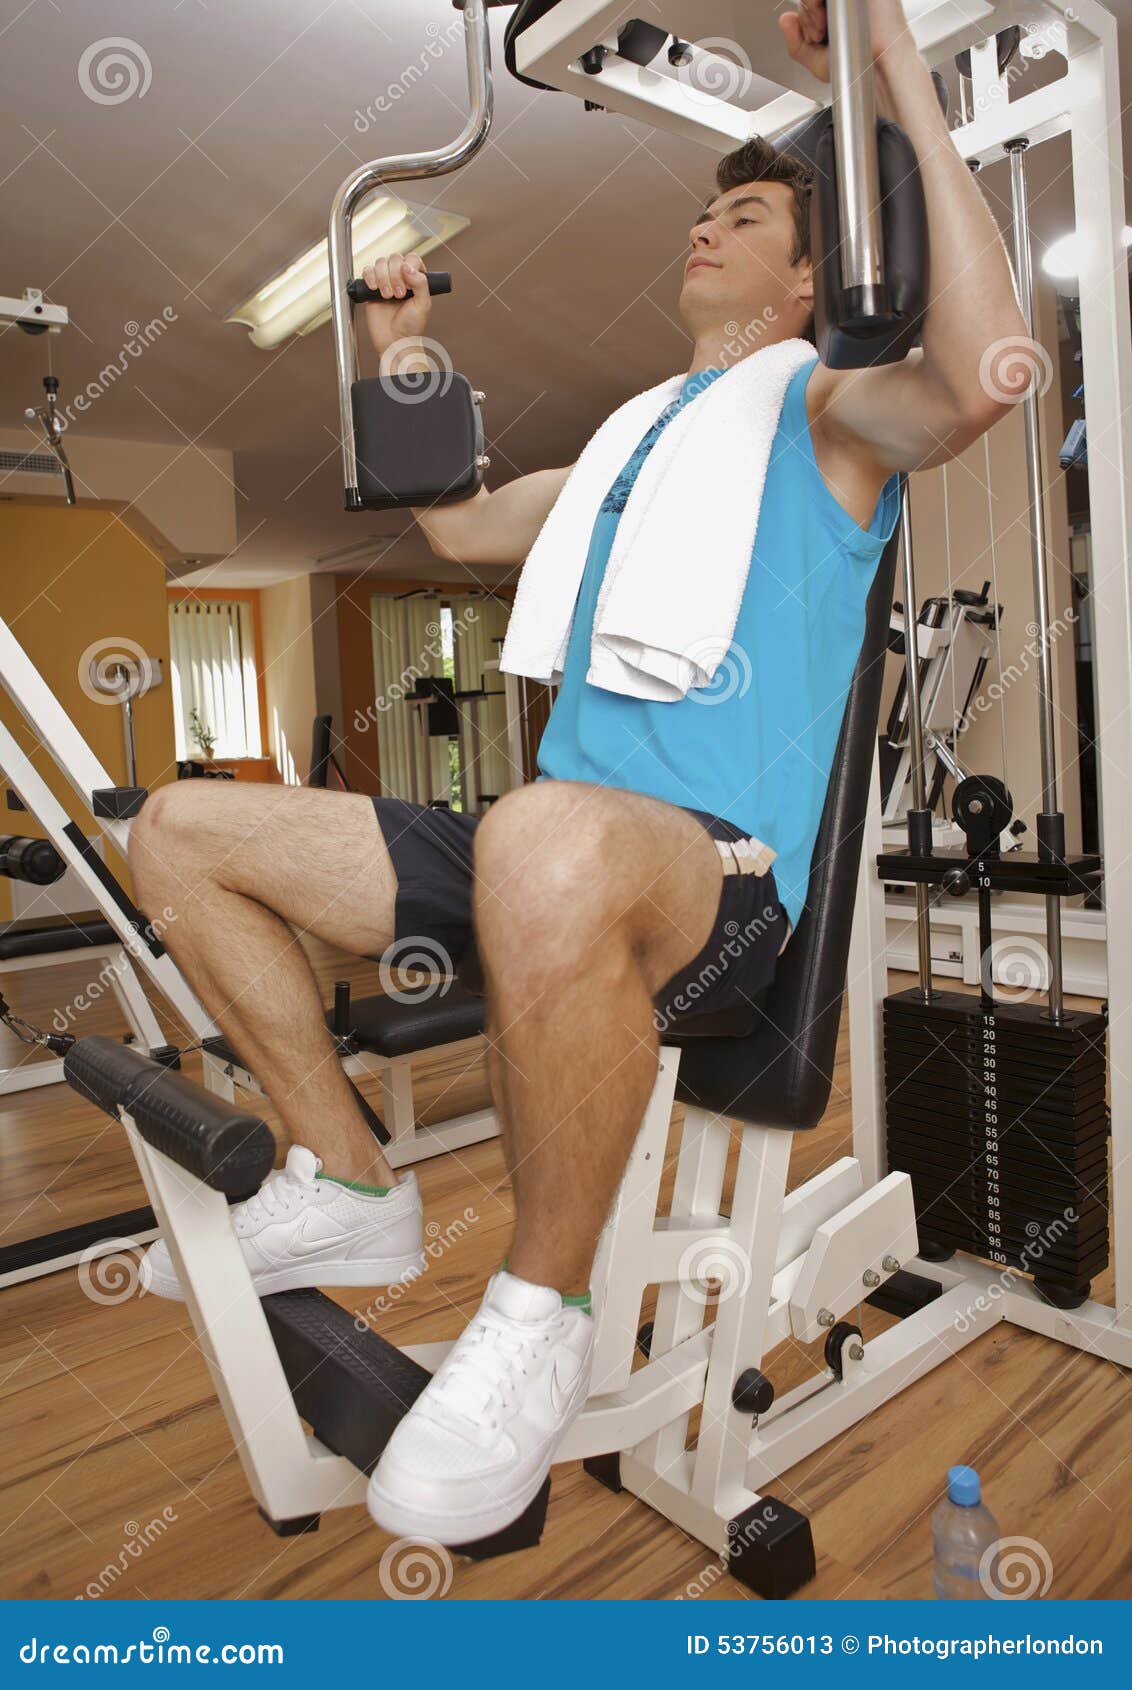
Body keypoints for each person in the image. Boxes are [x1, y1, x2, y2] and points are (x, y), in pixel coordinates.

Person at [131, 0, 1029, 1543]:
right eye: (707, 209)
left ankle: (539, 1316)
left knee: (542, 832)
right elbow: (457, 521)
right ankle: (350, 1181)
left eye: (748, 216)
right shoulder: (626, 446)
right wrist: (400, 350)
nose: (706, 224)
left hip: (712, 877)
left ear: (814, 279)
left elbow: (984, 380)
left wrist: (889, 54)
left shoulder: (825, 415)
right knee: (180, 830)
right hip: (540, 851)